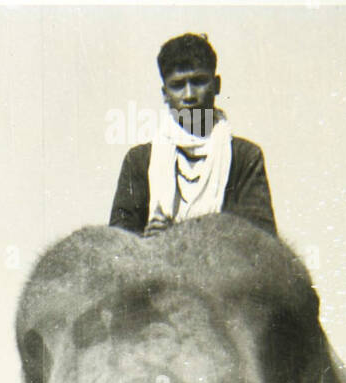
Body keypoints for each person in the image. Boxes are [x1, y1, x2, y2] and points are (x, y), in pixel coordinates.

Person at [109, 34, 276, 237]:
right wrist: (150, 238)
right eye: (178, 85)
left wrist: (182, 234)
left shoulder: (244, 157)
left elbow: (261, 239)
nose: (189, 95)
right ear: (165, 94)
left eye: (198, 82)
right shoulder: (138, 161)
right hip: (154, 264)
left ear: (216, 85)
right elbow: (118, 242)